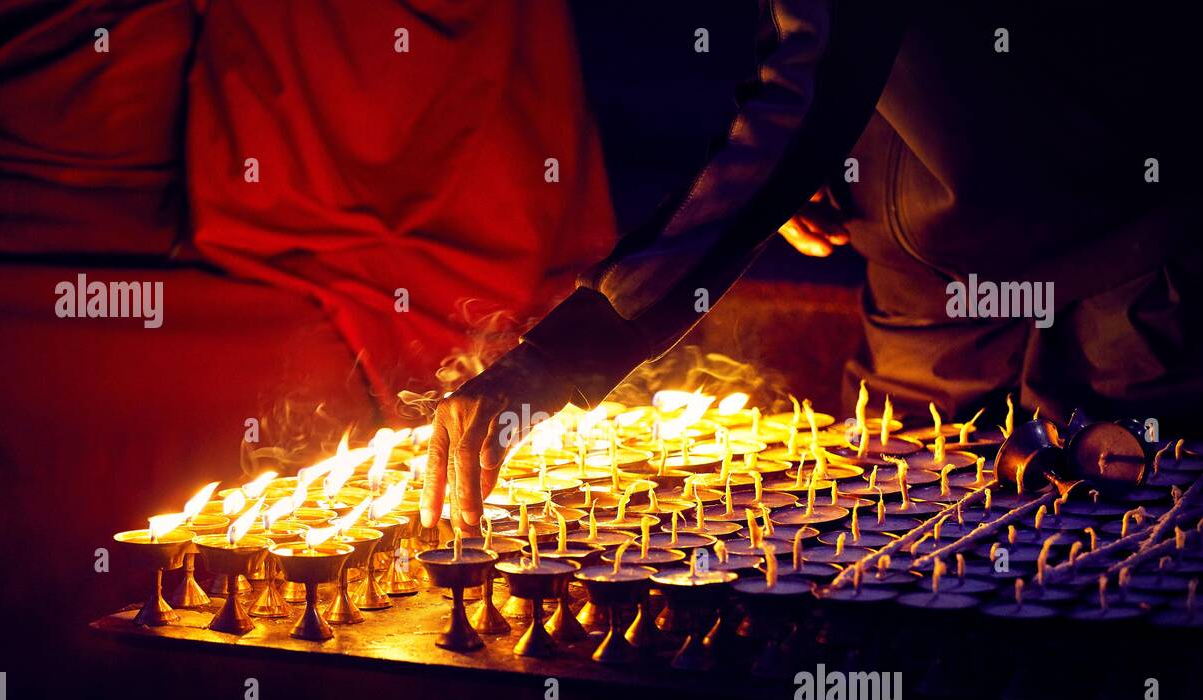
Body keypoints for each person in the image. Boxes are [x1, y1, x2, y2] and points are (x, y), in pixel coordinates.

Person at [421, 0, 1202, 534]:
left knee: (1117, 548)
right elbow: (819, 57)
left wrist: (562, 355)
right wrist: (831, 161)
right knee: (900, 533)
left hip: (1128, 247)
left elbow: (797, 96)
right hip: (922, 268)